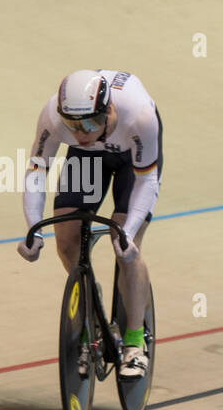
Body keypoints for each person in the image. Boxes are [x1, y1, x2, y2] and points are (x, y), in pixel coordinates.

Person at [18, 69, 160, 378]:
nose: (82, 133)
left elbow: (147, 180)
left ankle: (136, 342)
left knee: (125, 245)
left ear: (109, 110)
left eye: (91, 124)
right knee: (66, 240)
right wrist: (33, 228)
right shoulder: (54, 116)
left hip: (130, 162)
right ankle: (89, 298)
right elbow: (37, 171)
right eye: (73, 126)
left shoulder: (139, 115)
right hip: (87, 160)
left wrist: (128, 232)